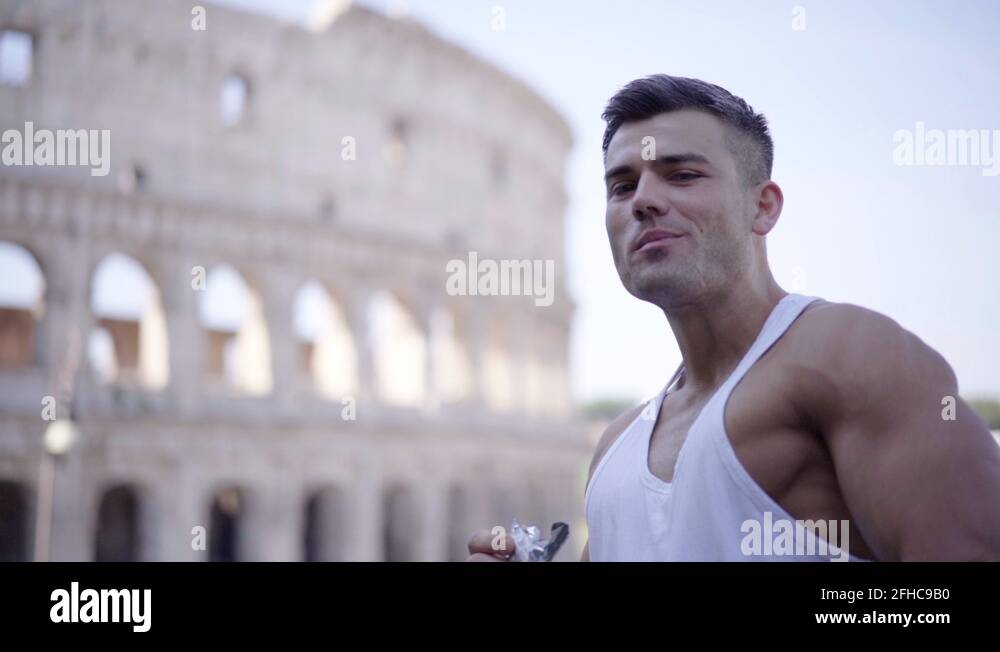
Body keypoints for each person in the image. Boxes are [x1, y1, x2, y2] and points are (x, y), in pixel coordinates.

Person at [467, 74, 1000, 562]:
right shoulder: (615, 446)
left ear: (763, 206)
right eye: (622, 186)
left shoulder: (852, 355)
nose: (644, 201)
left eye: (682, 175)